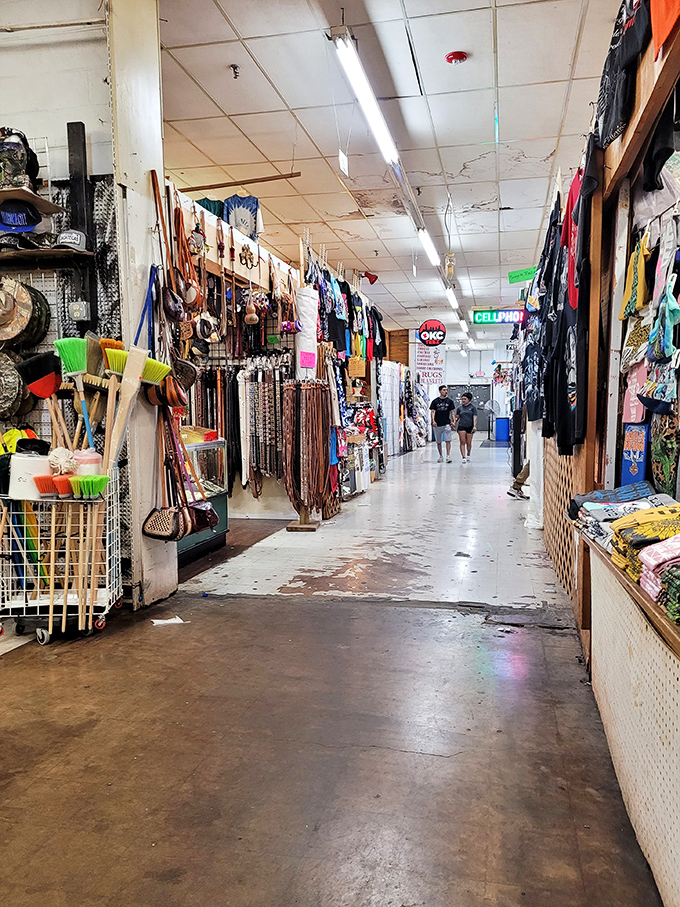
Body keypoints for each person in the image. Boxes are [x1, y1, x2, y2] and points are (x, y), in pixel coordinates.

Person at [429, 385, 456, 463]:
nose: (446, 391)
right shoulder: (435, 401)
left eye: (446, 390)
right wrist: (433, 421)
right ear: (440, 391)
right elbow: (432, 412)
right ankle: (440, 456)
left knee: (448, 440)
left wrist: (453, 421)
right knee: (438, 441)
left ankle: (448, 456)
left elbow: (452, 412)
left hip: (447, 423)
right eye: (444, 390)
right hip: (437, 424)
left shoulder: (450, 401)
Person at [454, 392, 478, 463]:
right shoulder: (459, 408)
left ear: (469, 399)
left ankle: (468, 454)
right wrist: (454, 423)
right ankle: (463, 457)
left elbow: (474, 417)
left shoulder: (472, 408)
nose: (463, 400)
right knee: (462, 441)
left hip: (470, 426)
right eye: (462, 399)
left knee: (468, 442)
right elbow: (457, 417)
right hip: (461, 426)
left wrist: (474, 426)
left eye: (465, 399)